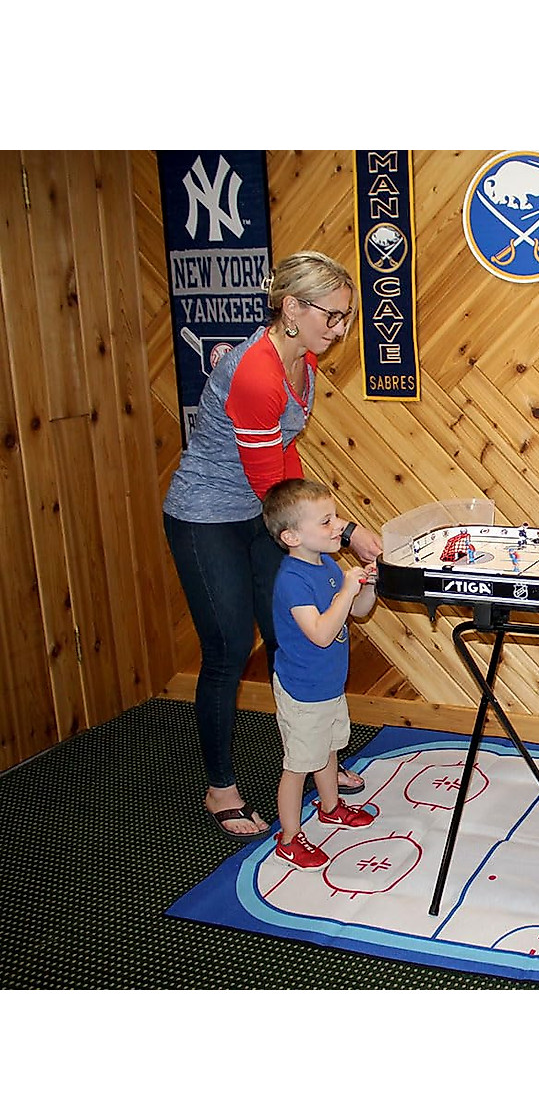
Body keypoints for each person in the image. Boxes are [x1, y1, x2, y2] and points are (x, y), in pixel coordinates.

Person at [163, 252, 383, 842]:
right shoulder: (256, 373)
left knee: (287, 636)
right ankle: (220, 787)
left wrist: (335, 525)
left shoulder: (301, 363)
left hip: (265, 513)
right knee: (230, 647)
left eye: (346, 317)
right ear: (291, 308)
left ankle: (314, 760)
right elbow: (273, 489)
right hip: (208, 518)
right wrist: (346, 534)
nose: (338, 331)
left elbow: (287, 460)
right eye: (331, 317)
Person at [262, 478, 377, 870]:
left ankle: (330, 807)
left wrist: (366, 587)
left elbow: (357, 612)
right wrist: (347, 589)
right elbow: (322, 634)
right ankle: (289, 837)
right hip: (302, 691)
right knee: (297, 766)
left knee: (328, 750)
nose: (337, 528)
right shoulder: (292, 581)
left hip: (328, 686)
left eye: (334, 518)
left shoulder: (326, 564)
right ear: (292, 536)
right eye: (326, 523)